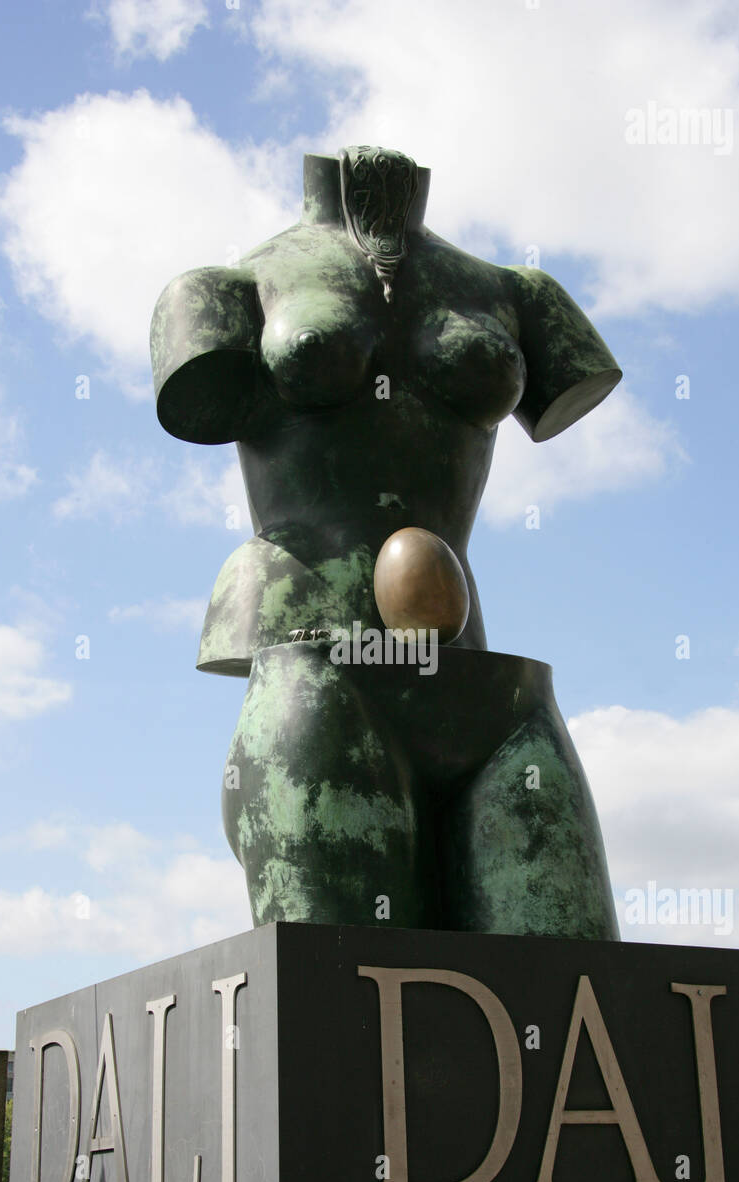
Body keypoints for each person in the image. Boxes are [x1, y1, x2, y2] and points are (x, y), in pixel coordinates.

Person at [151, 145, 622, 939]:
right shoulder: (222, 290)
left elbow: (567, 383)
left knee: (568, 960)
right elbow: (195, 398)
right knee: (339, 980)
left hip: (473, 669)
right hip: (309, 638)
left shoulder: (514, 293)